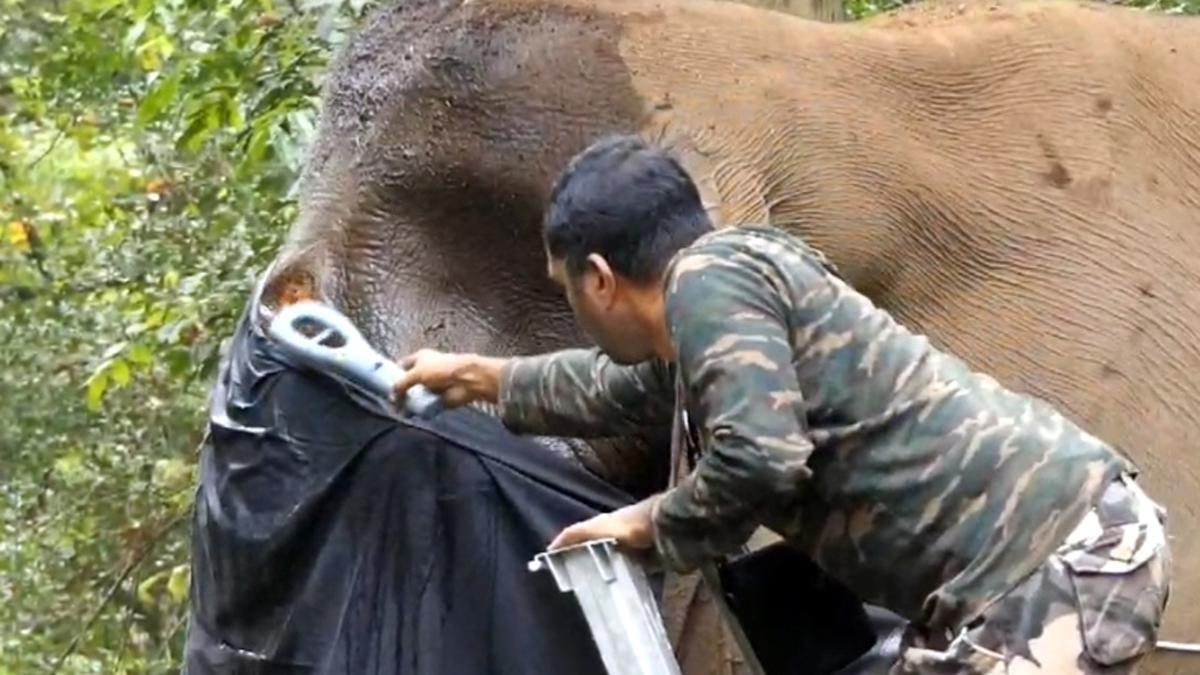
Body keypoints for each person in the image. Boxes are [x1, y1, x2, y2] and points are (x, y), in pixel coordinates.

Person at [391, 134, 1171, 674]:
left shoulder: (710, 283)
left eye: (569, 292)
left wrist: (644, 525)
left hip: (1060, 560)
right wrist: (486, 379)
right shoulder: (727, 294)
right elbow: (620, 388)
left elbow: (761, 458)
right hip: (1039, 563)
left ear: (600, 277)